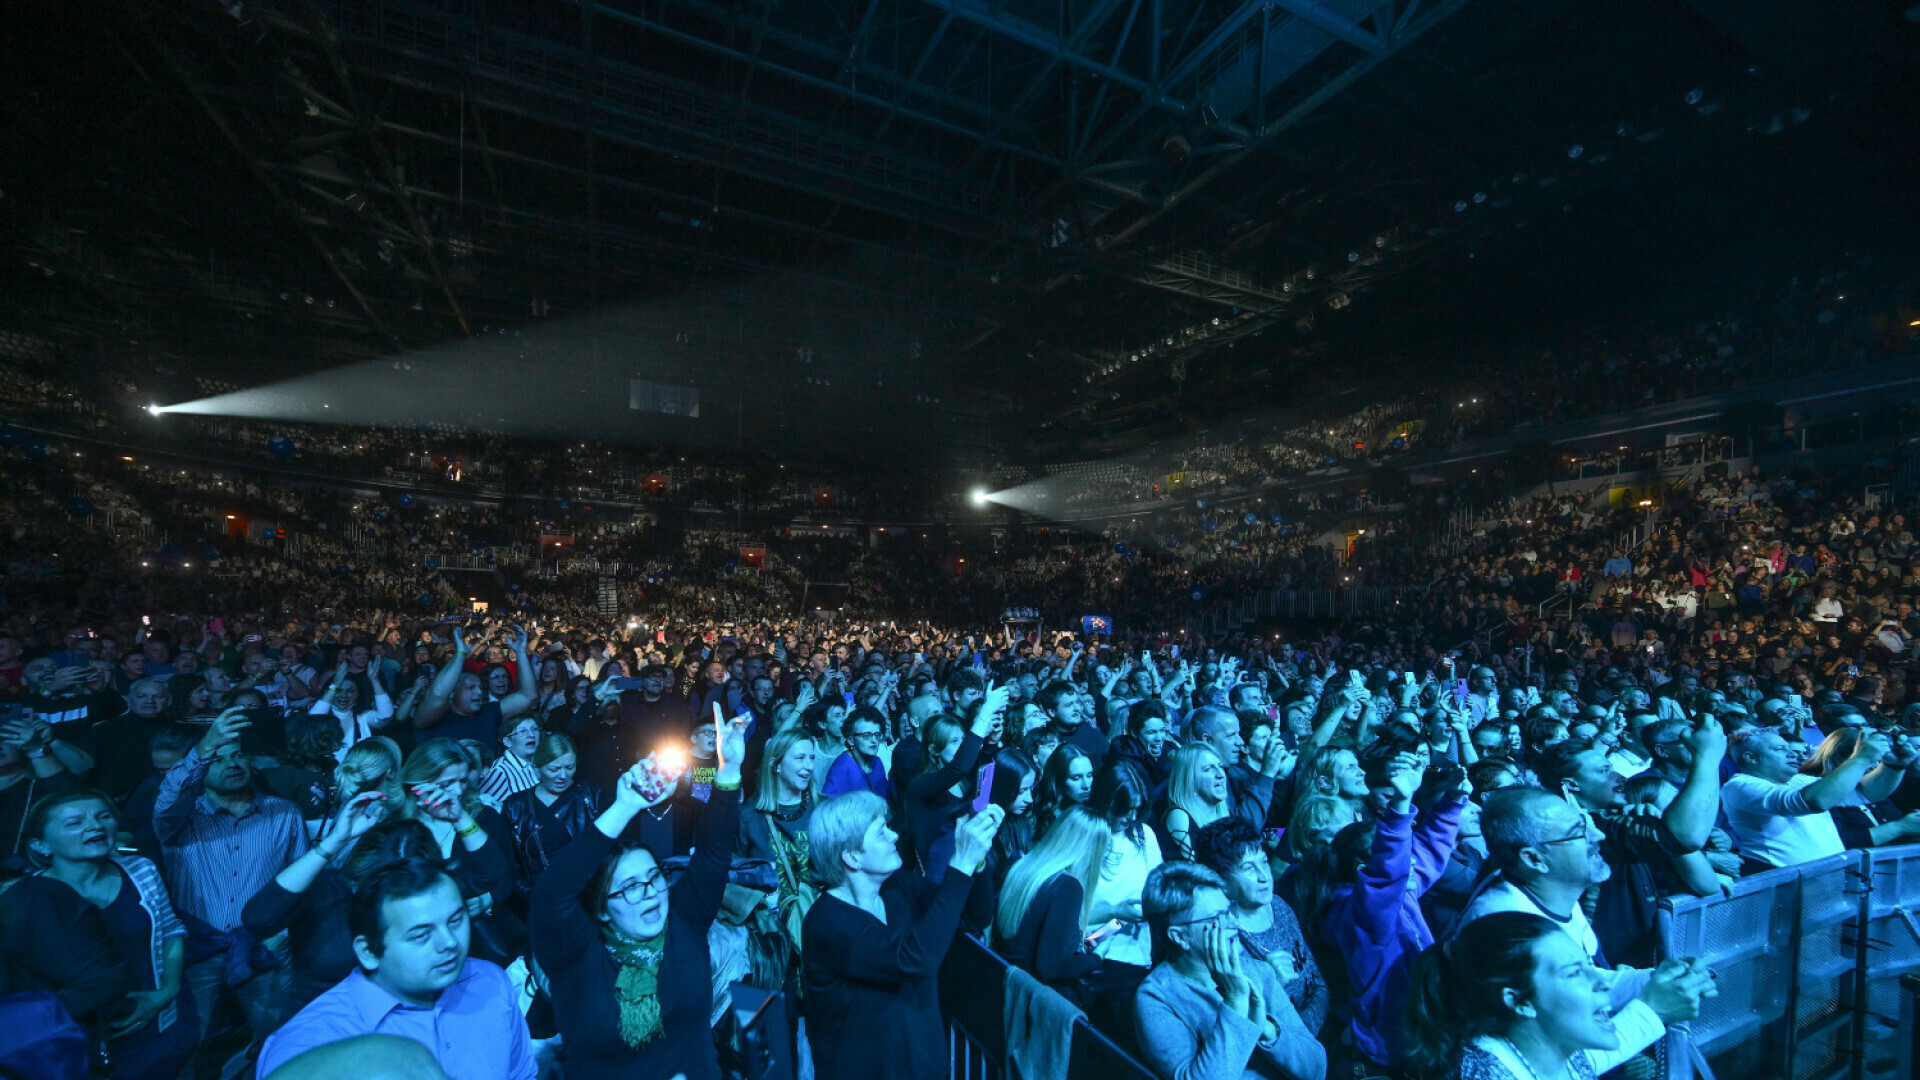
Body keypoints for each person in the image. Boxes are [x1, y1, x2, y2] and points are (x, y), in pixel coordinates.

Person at [528, 715, 746, 1080]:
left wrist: (729, 769)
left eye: (653, 877)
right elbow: (551, 893)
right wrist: (626, 806)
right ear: (602, 909)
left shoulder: (683, 925)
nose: (650, 893)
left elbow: (714, 853)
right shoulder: (576, 957)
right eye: (630, 886)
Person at [255, 861, 536, 1080]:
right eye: (421, 935)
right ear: (368, 951)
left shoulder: (490, 982)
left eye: (455, 920)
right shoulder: (306, 1046)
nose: (449, 943)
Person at [802, 790, 1002, 1080]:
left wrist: (977, 860)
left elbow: (973, 915)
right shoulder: (827, 923)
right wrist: (961, 864)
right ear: (853, 857)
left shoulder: (899, 887)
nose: (894, 835)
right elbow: (913, 959)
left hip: (924, 1068)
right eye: (881, 832)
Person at [152, 707, 309, 1060]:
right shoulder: (179, 819)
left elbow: (301, 880)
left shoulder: (283, 812)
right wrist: (204, 747)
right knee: (185, 1046)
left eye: (237, 755)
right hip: (197, 949)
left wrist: (284, 936)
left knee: (279, 1039)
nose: (232, 764)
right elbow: (169, 797)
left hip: (264, 946)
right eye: (218, 759)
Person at [1402, 912, 1714, 1080]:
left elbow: (1591, 1059)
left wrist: (1659, 997)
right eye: (1574, 972)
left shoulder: (1544, 1048)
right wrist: (1655, 1008)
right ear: (1519, 1001)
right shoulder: (1485, 1073)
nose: (1603, 981)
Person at [26, 788, 195, 1080]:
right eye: (75, 822)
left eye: (103, 816)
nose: (95, 826)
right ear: (41, 845)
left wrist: (167, 991)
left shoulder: (141, 871)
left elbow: (170, 930)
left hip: (156, 1025)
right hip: (78, 1044)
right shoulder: (28, 899)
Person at [1133, 861, 1326, 1080]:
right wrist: (1235, 1001)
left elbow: (1316, 1070)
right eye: (1217, 917)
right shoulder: (1156, 998)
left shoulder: (1258, 972)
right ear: (1180, 936)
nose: (1234, 924)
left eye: (1229, 911)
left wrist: (1266, 1028)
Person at [1191, 816, 1328, 1038]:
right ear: (1220, 880)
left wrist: (1311, 1036)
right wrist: (1270, 986)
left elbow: (1316, 979)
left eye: (1264, 862)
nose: (1264, 876)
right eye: (1248, 868)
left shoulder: (1278, 904)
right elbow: (1240, 1031)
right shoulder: (1223, 939)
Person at [1722, 725, 1898, 869]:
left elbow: (1865, 794)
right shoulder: (1740, 786)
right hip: (1784, 884)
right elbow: (1813, 802)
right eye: (1780, 749)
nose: (1792, 753)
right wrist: (1861, 758)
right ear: (1751, 757)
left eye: (1788, 748)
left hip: (1822, 879)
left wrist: (1894, 765)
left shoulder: (1798, 780)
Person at [994, 806, 1110, 999]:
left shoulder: (1024, 867)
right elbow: (1051, 967)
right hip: (1027, 996)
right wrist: (1096, 958)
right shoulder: (1068, 887)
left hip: (1003, 981)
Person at [498, 733, 599, 896]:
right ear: (536, 768)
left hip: (586, 893)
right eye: (554, 769)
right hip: (540, 896)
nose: (563, 776)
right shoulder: (516, 806)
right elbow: (510, 864)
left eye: (570, 767)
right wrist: (532, 897)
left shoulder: (590, 796)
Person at [415, 626, 537, 747]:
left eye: (480, 687)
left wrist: (521, 653)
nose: (479, 691)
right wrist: (460, 654)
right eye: (471, 687)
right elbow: (436, 695)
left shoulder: (489, 712)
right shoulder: (433, 718)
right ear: (452, 693)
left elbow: (528, 696)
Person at [1164, 744, 1232, 860]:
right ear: (1189, 778)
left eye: (1220, 766)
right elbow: (1190, 867)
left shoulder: (1226, 811)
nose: (1220, 774)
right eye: (1208, 769)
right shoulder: (1179, 816)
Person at [822, 706, 892, 800]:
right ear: (851, 740)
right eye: (866, 735)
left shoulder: (877, 762)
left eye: (877, 735)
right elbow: (828, 805)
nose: (874, 740)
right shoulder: (841, 767)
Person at [479, 714, 543, 805]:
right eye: (522, 731)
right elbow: (485, 808)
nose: (532, 735)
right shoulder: (499, 772)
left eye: (535, 729)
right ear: (508, 742)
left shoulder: (541, 763)